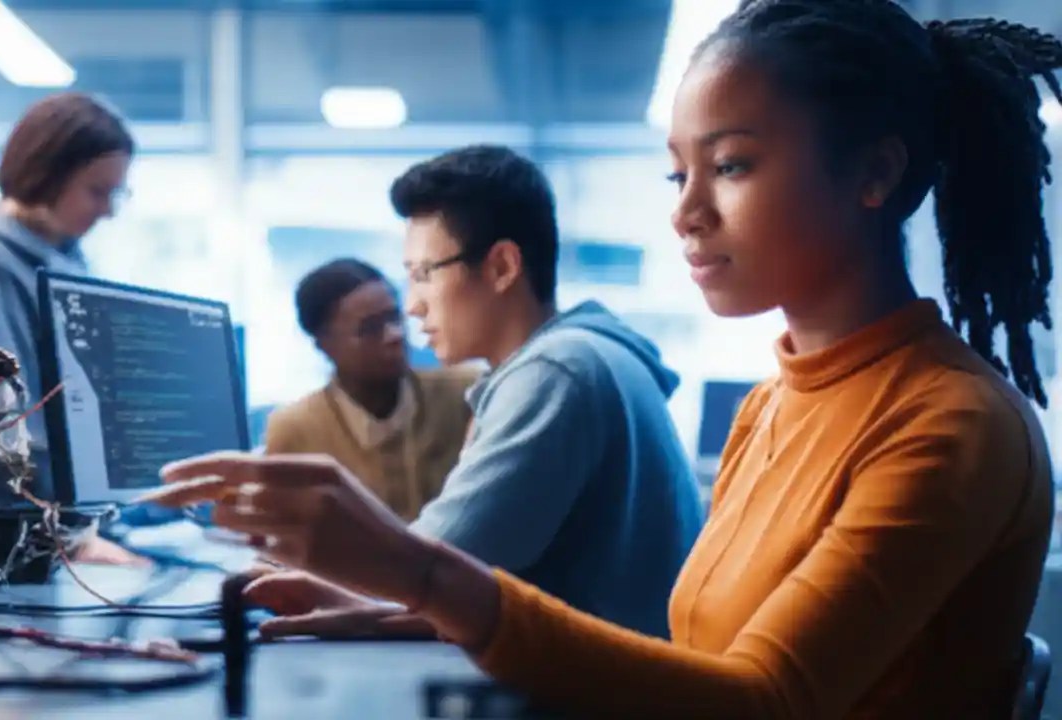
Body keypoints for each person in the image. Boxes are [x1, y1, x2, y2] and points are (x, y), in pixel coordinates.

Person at [153, 1, 1061, 716]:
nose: (685, 212)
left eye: (733, 166)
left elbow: (767, 701)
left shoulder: (951, 423)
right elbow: (695, 661)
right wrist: (404, 616)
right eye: (679, 174)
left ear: (874, 175)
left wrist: (422, 578)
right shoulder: (775, 401)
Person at [193, 145, 705, 637]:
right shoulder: (589, 354)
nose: (412, 308)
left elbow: (428, 568)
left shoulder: (556, 372)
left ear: (502, 267)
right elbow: (465, 587)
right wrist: (362, 609)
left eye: (423, 275)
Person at [0, 92, 140, 564]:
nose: (108, 211)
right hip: (13, 543)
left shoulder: (61, 260)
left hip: (63, 530)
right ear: (47, 175)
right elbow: (0, 427)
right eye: (97, 191)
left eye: (116, 193)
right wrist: (71, 539)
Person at [264, 258, 476, 521]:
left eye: (395, 318)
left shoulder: (466, 394)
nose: (394, 335)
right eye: (371, 328)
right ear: (324, 345)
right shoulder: (295, 430)